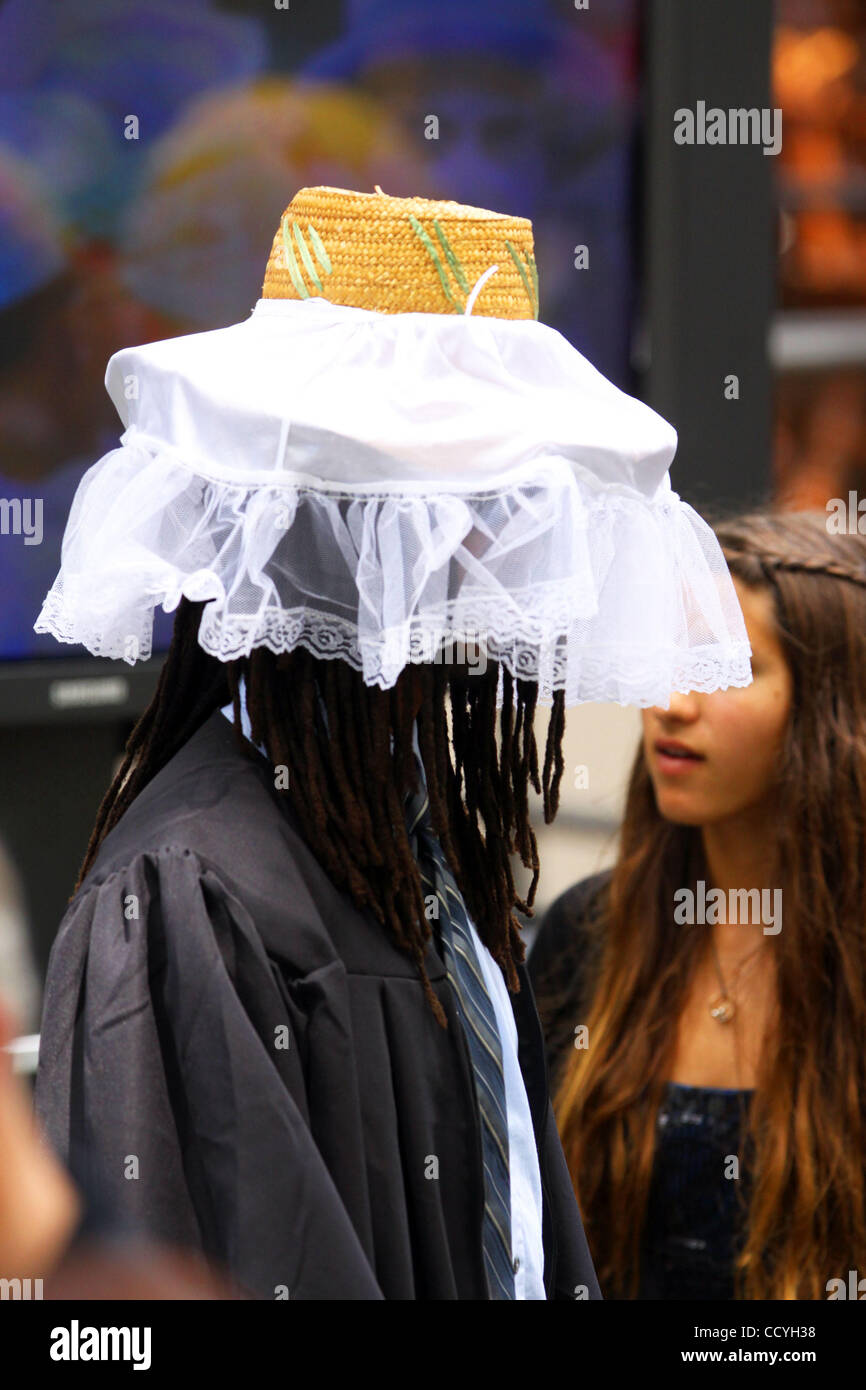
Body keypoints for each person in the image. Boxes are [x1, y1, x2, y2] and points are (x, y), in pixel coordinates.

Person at [32, 186, 749, 1300]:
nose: (490, 555)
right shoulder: (195, 892)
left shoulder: (412, 846)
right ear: (337, 529)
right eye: (458, 512)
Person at [529, 509, 866, 1301]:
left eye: (729, 666)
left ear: (834, 708)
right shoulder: (589, 931)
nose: (673, 701)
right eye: (672, 654)